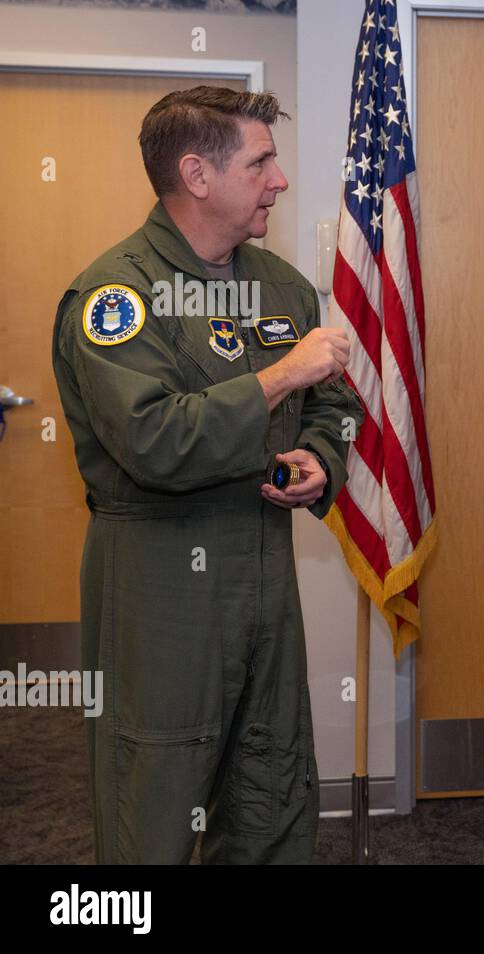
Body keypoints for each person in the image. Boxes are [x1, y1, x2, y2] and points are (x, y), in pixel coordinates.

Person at [51, 86, 363, 864]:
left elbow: (336, 408)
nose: (280, 180)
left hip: (263, 568)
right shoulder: (116, 297)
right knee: (153, 792)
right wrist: (276, 380)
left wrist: (318, 461)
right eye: (261, 162)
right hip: (160, 580)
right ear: (197, 174)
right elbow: (153, 440)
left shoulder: (281, 285)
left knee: (271, 784)